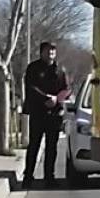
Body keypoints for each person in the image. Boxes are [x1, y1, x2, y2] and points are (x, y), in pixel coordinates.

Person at [23, 41, 69, 187]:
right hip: (37, 112)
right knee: (34, 145)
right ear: (42, 52)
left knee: (52, 147)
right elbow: (31, 87)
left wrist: (56, 99)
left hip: (54, 114)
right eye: (48, 50)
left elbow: (66, 90)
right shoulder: (33, 68)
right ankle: (28, 177)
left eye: (53, 51)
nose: (51, 53)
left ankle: (49, 177)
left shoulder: (60, 70)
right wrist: (45, 98)